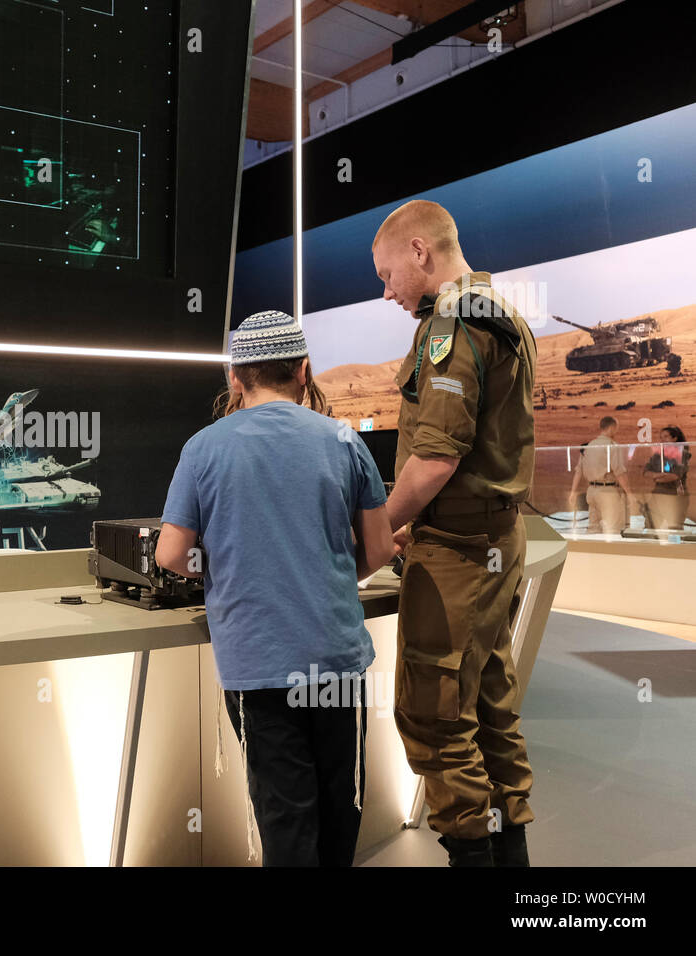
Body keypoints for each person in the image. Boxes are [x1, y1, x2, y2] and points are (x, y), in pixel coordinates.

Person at [156, 310, 394, 867]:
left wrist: (230, 570)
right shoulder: (343, 440)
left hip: (258, 665)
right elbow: (380, 550)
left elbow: (171, 553)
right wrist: (327, 571)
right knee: (341, 807)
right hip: (336, 659)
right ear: (304, 371)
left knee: (285, 819)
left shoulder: (204, 447)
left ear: (236, 377)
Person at [371, 199, 539, 866]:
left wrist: (381, 527)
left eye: (388, 274)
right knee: (490, 710)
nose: (386, 291)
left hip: (460, 557)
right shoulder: (500, 314)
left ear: (420, 252)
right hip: (496, 542)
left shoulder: (452, 324)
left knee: (436, 720)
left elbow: (437, 456)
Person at [567, 417, 630, 535]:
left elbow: (578, 471)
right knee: (613, 528)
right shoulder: (612, 445)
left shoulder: (589, 446)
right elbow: (619, 472)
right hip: (607, 491)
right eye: (616, 429)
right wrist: (629, 493)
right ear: (611, 428)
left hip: (591, 491)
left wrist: (573, 492)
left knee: (593, 529)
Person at [641, 426, 690, 530]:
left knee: (674, 528)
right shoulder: (658, 455)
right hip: (658, 494)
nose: (662, 440)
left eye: (666, 437)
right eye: (661, 437)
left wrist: (657, 477)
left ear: (674, 438)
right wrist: (657, 475)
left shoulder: (683, 454)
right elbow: (646, 472)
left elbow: (675, 475)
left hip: (675, 495)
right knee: (651, 526)